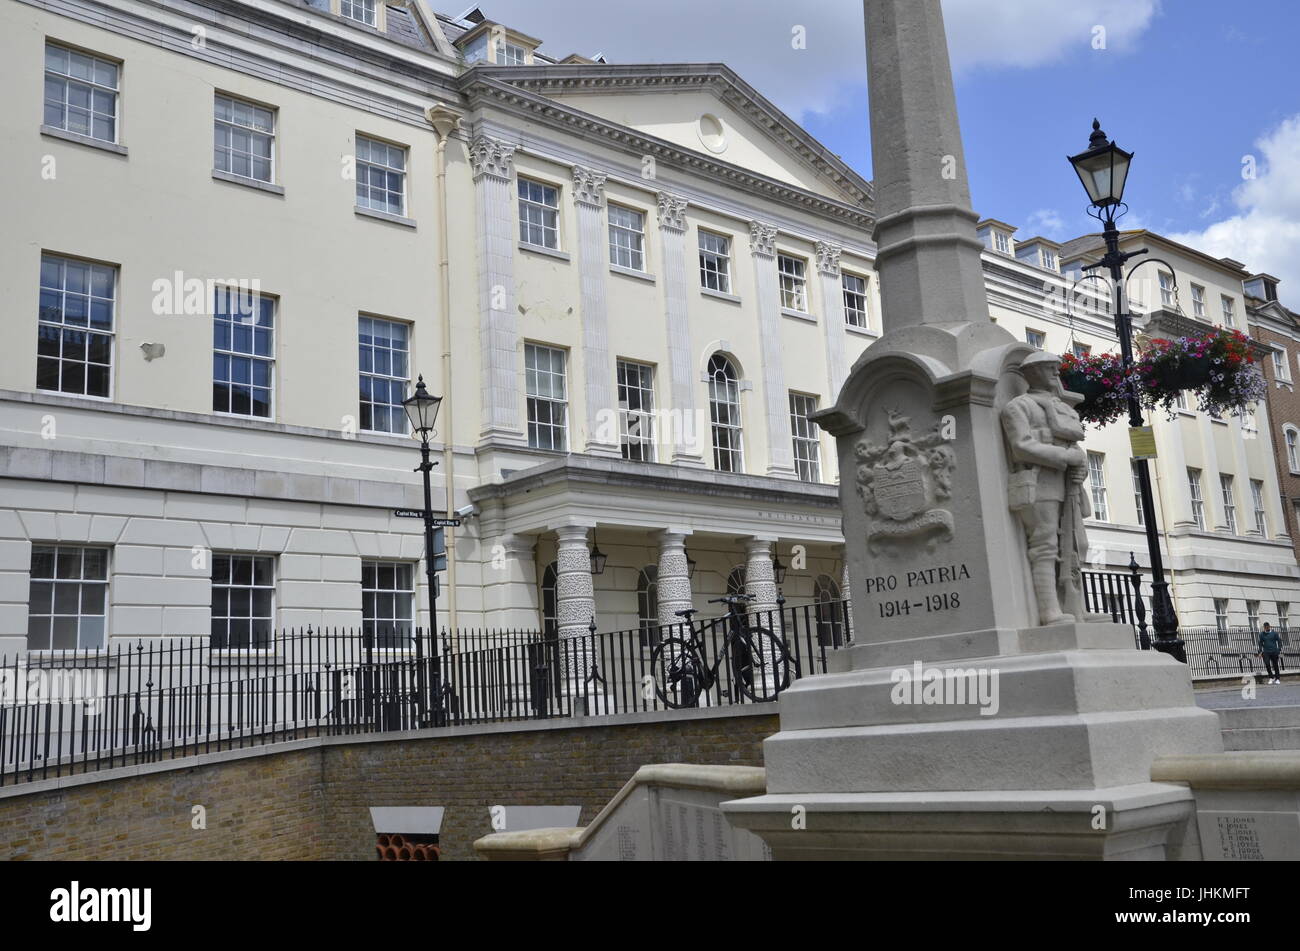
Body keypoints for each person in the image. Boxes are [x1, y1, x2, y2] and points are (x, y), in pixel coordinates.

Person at [1001, 350, 1093, 625]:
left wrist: (1081, 463)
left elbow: (1073, 445)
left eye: (1056, 368)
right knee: (1045, 544)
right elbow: (1021, 446)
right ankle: (1049, 611)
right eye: (1049, 368)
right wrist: (1066, 458)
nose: (1056, 372)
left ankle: (1076, 607)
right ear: (1033, 373)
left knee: (1076, 544)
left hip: (1068, 482)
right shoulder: (1019, 406)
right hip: (1040, 483)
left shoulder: (1061, 407)